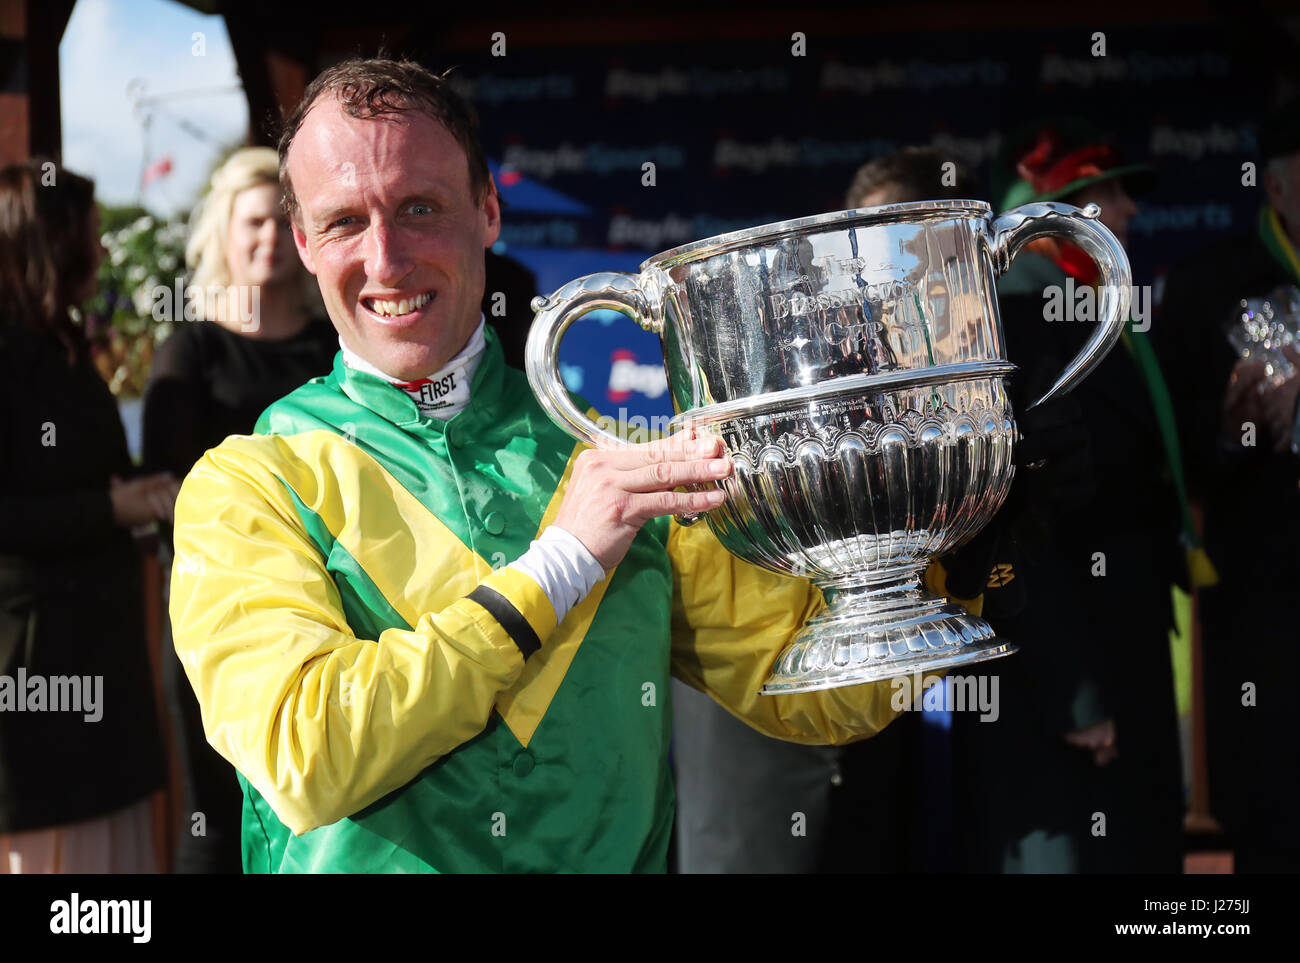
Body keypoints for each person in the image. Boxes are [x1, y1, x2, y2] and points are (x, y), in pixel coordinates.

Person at [166, 58, 985, 873]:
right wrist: (556, 568)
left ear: (487, 211)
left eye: (420, 208)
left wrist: (957, 552)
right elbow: (307, 756)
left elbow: (813, 694)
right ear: (306, 242)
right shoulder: (247, 483)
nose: (385, 259)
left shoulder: (613, 462)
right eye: (346, 221)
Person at [672, 146, 984, 873]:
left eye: (912, 257)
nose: (886, 283)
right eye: (870, 256)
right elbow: (732, 614)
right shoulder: (773, 385)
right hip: (756, 758)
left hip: (887, 741)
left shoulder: (966, 405)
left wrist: (971, 558)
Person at [951, 123, 1192, 873]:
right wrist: (1076, 692)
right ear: (1068, 207)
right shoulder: (1018, 307)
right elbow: (1011, 515)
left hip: (1123, 644)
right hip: (1063, 674)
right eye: (1111, 193)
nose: (1127, 211)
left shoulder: (1087, 300)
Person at [142, 147, 339, 873]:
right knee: (215, 812)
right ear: (223, 231)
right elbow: (167, 494)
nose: (264, 238)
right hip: (216, 618)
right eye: (251, 221)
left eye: (279, 221)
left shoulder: (334, 345)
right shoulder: (188, 351)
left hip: (331, 608)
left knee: (318, 807)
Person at [0, 159, 172, 872]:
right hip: (36, 672)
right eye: (91, 234)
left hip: (97, 667)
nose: (102, 251)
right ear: (49, 242)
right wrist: (110, 506)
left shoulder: (63, 346)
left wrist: (143, 493)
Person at [1155, 97, 1300, 873]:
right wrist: (1233, 422)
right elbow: (1168, 462)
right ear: (1275, 187)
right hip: (1262, 594)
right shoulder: (1211, 288)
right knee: (1270, 810)